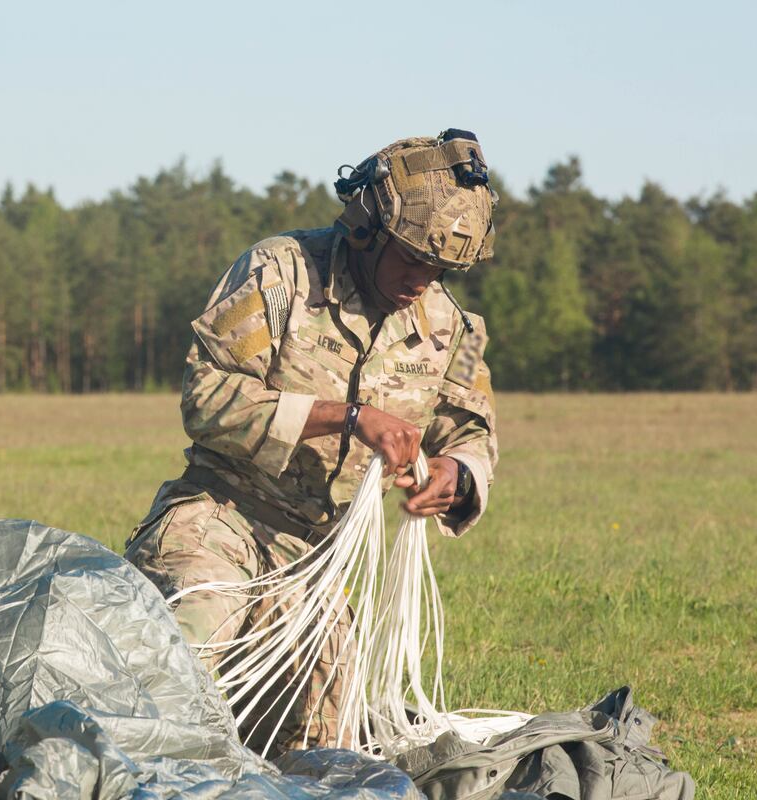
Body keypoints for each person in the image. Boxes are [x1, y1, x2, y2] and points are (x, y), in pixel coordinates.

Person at [125, 130, 499, 754]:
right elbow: (205, 397)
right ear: (368, 229)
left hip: (314, 565)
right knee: (174, 686)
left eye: (439, 268)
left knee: (328, 750)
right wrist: (347, 417)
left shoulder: (453, 329)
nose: (422, 279)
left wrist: (455, 476)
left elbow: (470, 431)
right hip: (219, 523)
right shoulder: (280, 274)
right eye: (411, 258)